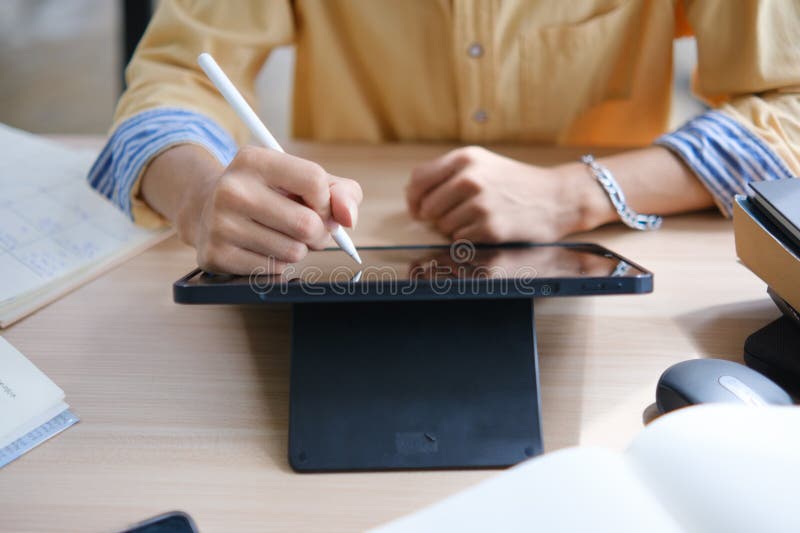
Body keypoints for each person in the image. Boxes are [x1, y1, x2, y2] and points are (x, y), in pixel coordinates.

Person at [89, 0, 800, 275]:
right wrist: (201, 197)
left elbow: (790, 103)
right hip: (344, 260)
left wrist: (576, 191)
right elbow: (168, 83)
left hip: (611, 261)